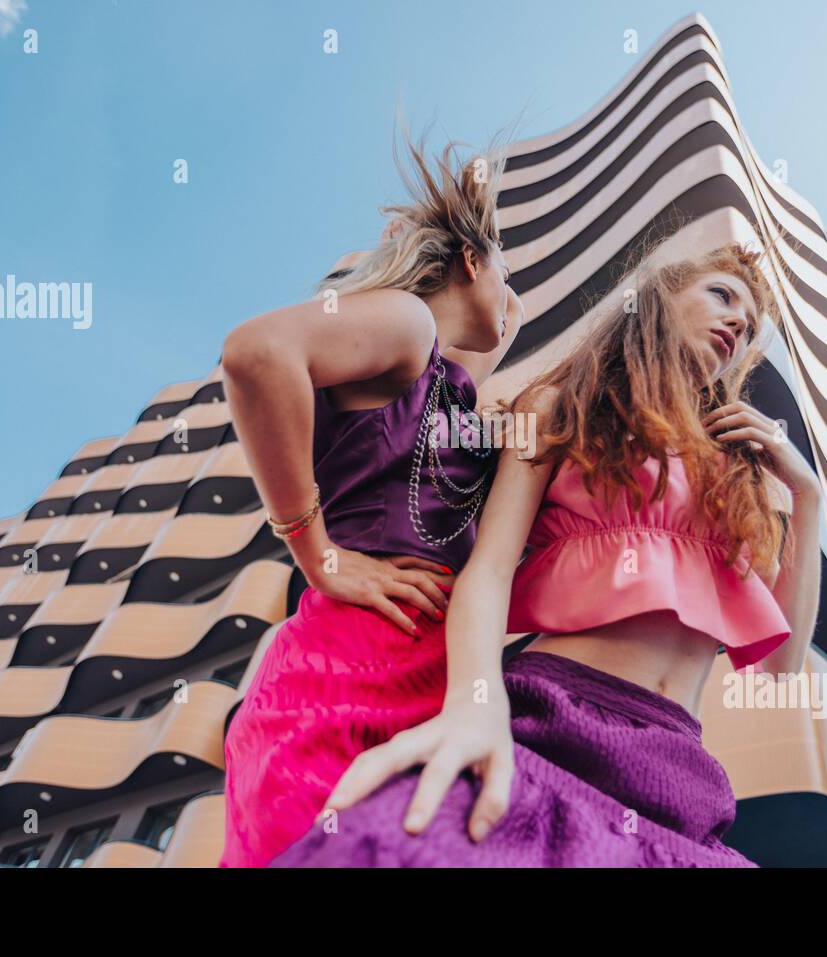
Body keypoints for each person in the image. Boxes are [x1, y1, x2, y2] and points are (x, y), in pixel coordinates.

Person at [271, 238, 824, 867]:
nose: (736, 324)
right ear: (661, 299)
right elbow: (492, 568)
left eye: (750, 326)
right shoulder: (566, 405)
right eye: (722, 296)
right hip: (553, 720)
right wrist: (471, 709)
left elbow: (780, 670)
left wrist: (809, 500)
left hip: (681, 771)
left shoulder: (736, 472)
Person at [217, 119, 526, 867]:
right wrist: (317, 555)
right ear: (469, 261)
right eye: (506, 275)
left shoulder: (442, 386)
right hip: (344, 680)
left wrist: (498, 330)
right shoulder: (408, 321)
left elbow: (442, 422)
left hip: (420, 688)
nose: (513, 299)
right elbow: (256, 354)